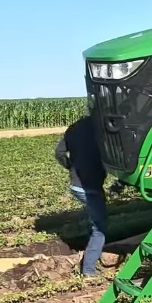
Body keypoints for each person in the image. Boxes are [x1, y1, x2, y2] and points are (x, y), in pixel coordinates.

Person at [55, 114, 110, 278]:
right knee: (100, 229)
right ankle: (89, 271)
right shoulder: (102, 129)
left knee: (95, 219)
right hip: (90, 188)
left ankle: (93, 254)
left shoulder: (73, 128)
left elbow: (59, 153)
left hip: (76, 186)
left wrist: (71, 167)